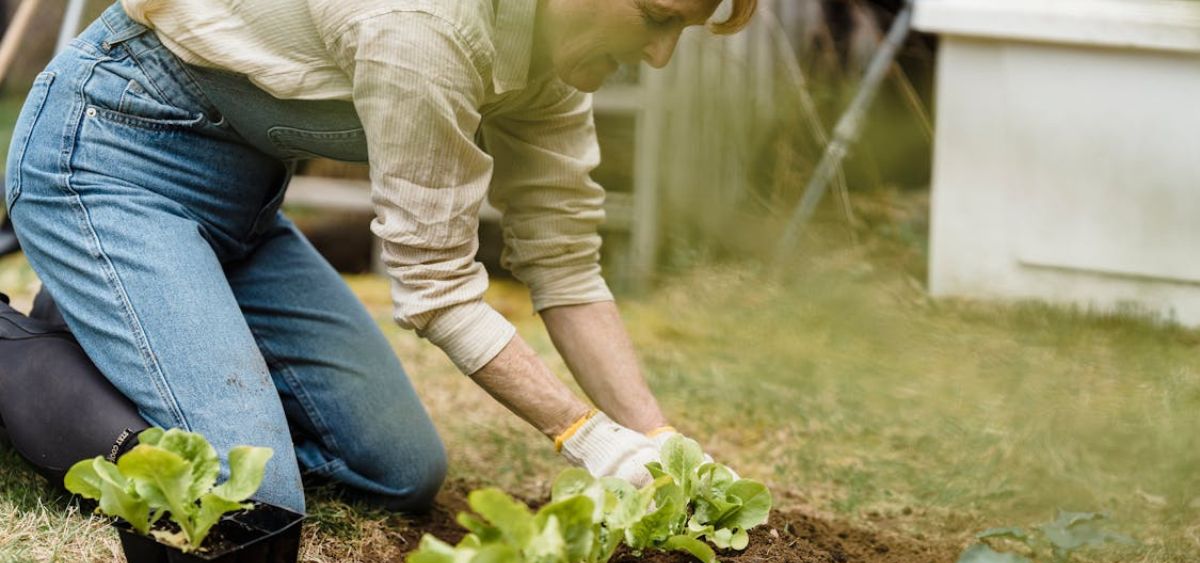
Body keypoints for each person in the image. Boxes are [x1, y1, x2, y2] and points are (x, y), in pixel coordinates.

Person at [4, 0, 755, 515]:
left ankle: (105, 314)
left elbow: (564, 263)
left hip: (241, 212)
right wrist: (586, 435)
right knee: (253, 496)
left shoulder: (548, 61)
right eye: (657, 16)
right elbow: (436, 290)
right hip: (106, 158)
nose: (660, 55)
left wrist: (658, 441)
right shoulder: (426, 26)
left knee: (399, 471)